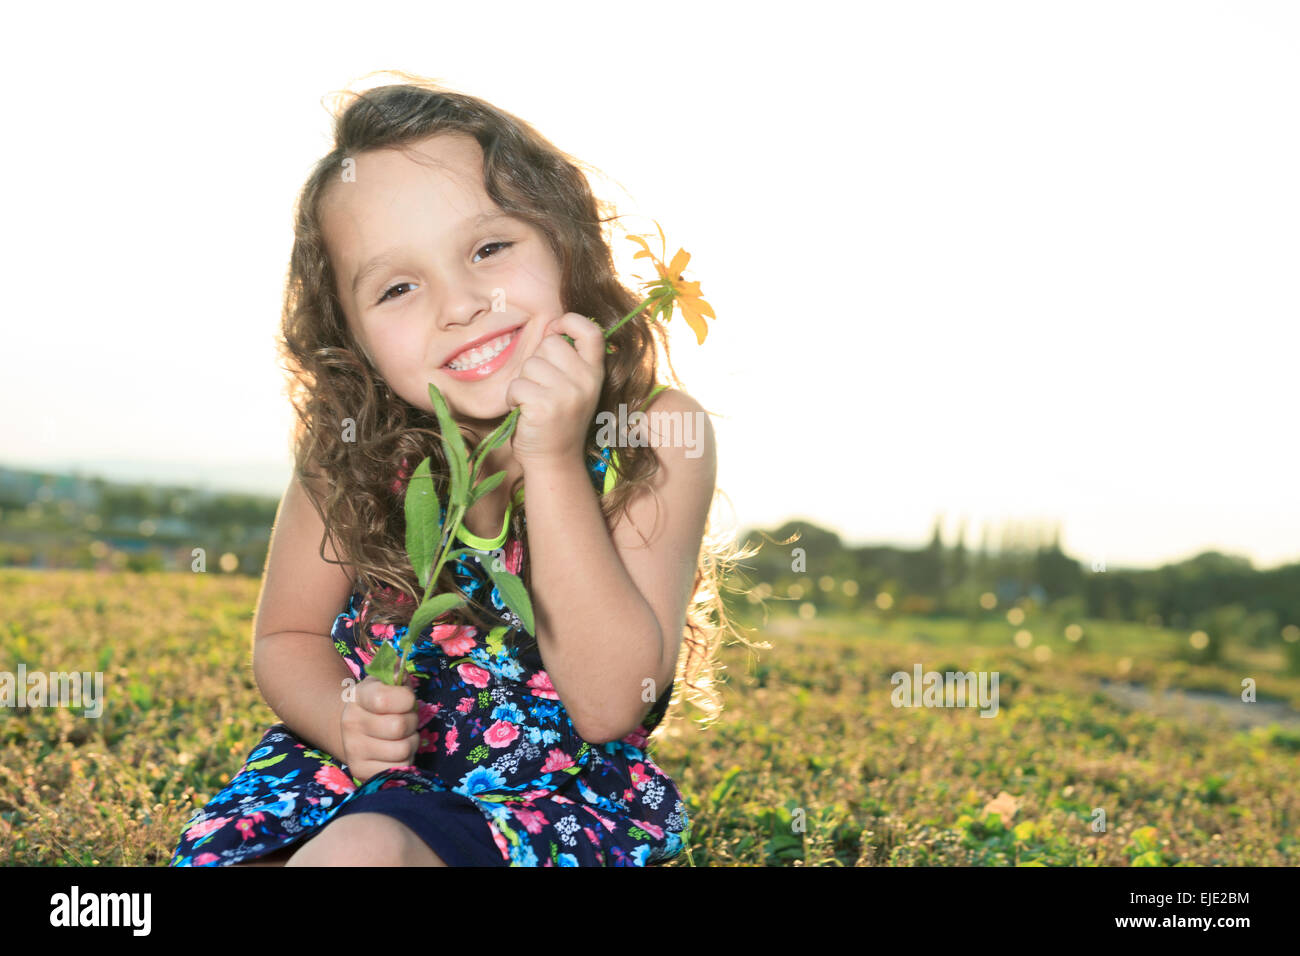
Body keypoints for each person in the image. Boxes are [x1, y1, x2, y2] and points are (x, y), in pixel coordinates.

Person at [168, 76, 743, 867]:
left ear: (565, 240)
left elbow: (612, 702)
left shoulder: (655, 433)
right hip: (350, 782)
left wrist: (550, 458)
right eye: (398, 287)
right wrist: (345, 718)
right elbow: (287, 633)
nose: (460, 303)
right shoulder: (355, 448)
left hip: (543, 807)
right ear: (352, 336)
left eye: (489, 248)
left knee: (367, 849)